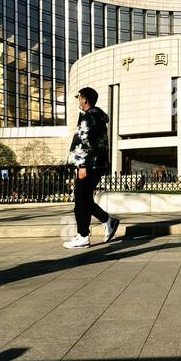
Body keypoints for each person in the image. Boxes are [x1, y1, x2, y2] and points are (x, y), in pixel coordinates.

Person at [63, 86, 120, 250]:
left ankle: (83, 236)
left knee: (80, 201)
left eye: (79, 98)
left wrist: (81, 164)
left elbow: (85, 142)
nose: (78, 101)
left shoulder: (89, 117)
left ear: (85, 99)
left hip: (88, 165)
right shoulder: (99, 118)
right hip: (97, 164)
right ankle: (107, 221)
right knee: (85, 199)